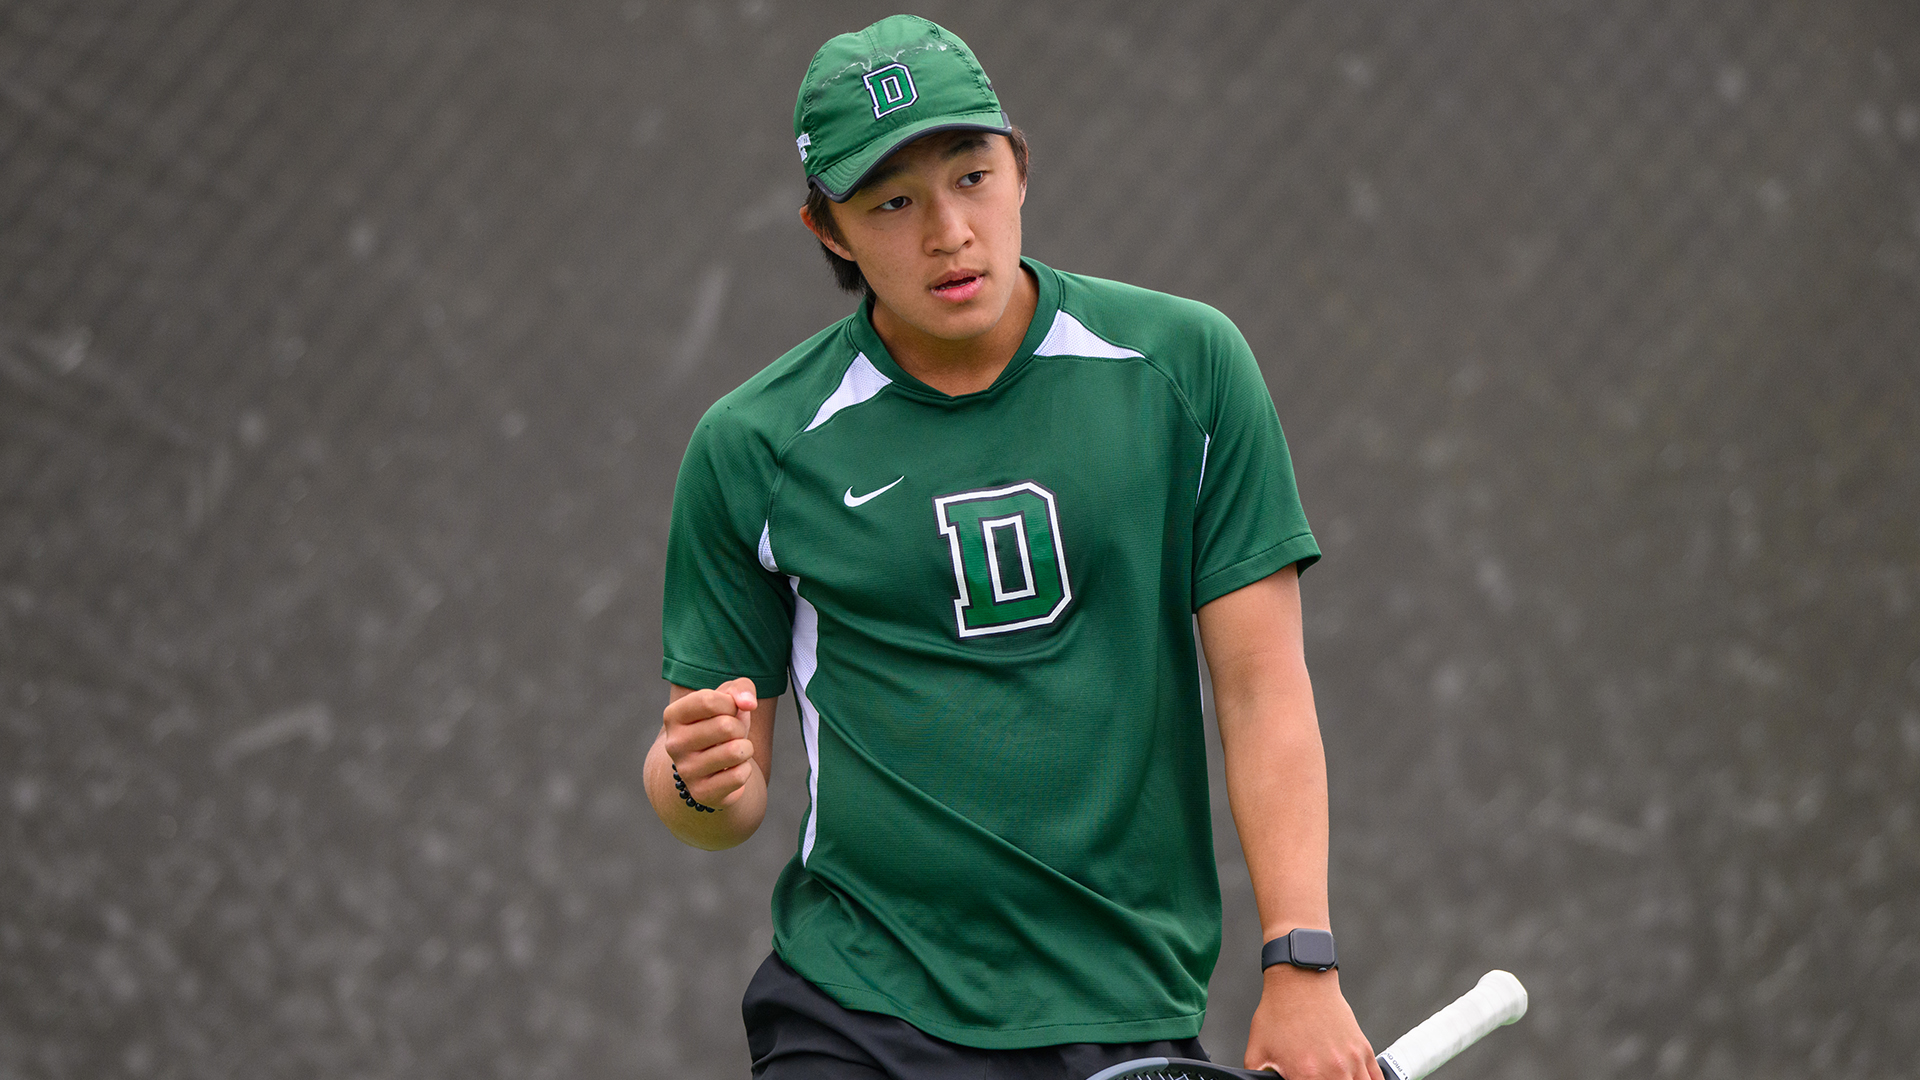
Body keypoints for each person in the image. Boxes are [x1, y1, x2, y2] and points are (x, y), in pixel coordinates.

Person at [647, 14, 1383, 1080]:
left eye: (971, 176)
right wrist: (694, 775)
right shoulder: (753, 446)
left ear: (1020, 170)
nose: (948, 230)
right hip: (857, 1009)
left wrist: (1301, 966)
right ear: (829, 230)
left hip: (1120, 1010)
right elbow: (718, 807)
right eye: (891, 203)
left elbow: (1264, 690)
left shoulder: (1185, 367)